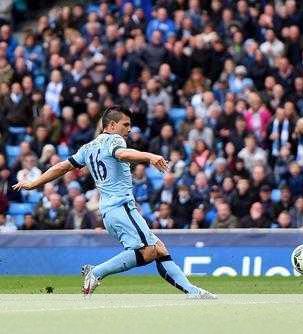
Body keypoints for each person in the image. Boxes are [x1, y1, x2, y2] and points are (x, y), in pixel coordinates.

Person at [13, 105, 214, 298]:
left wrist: (34, 183)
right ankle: (96, 272)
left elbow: (61, 167)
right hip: (122, 207)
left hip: (110, 212)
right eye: (125, 125)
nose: (129, 129)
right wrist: (149, 156)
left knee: (158, 248)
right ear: (110, 126)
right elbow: (122, 154)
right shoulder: (114, 141)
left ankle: (193, 292)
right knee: (151, 250)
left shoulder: (87, 148)